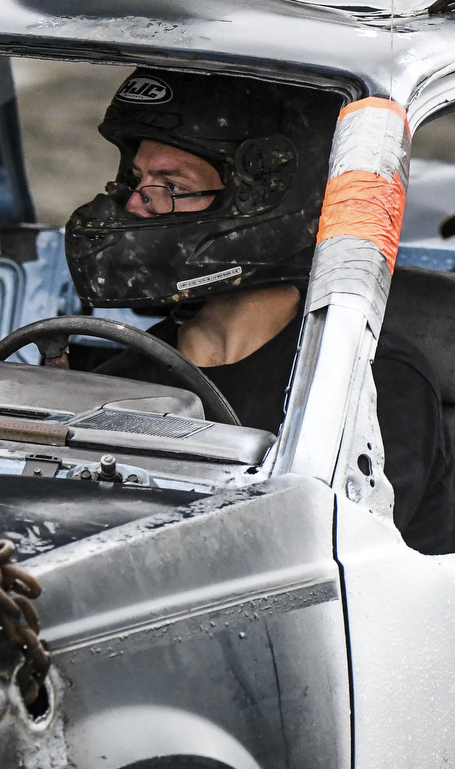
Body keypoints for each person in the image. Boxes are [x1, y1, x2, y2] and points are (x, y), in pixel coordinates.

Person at [64, 69, 454, 555]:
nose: (139, 206)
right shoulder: (123, 379)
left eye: (170, 184)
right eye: (137, 181)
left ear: (260, 203)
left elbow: (328, 567)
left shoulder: (368, 387)